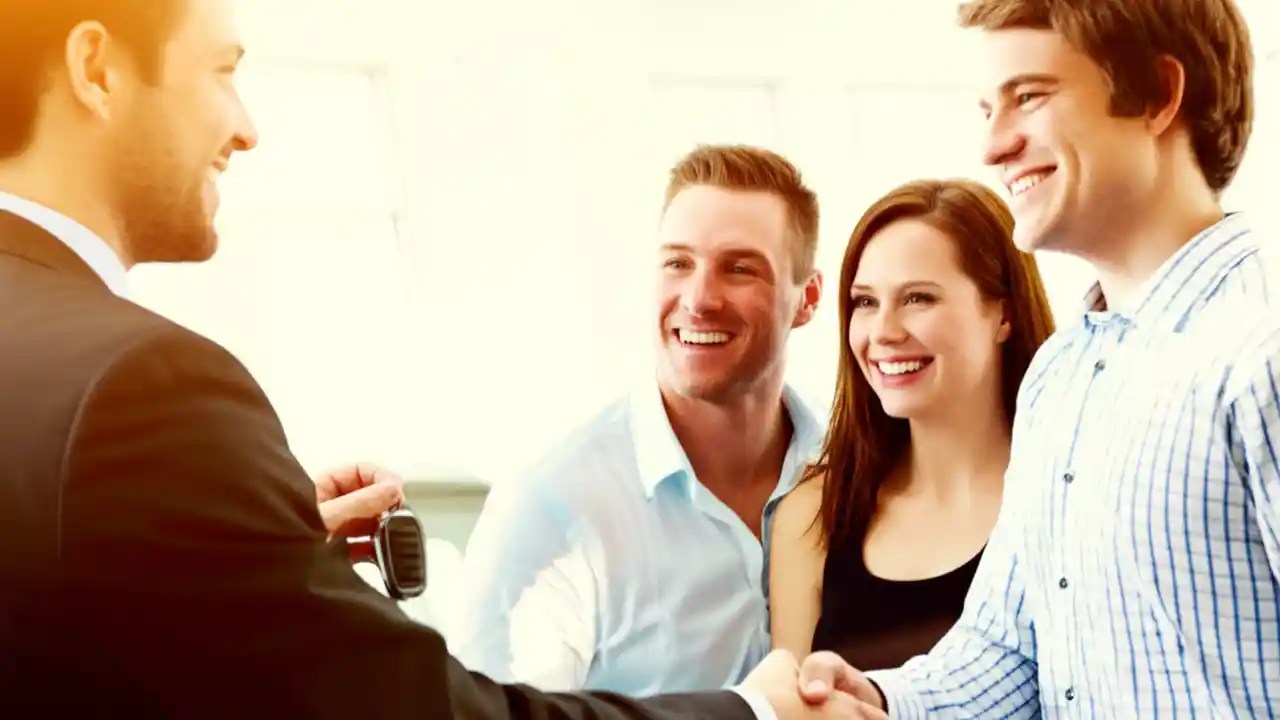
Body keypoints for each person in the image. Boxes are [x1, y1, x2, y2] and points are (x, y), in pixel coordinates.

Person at [0, 3, 885, 718]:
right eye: (224, 71)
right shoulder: (148, 388)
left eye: (741, 268)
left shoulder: (870, 464)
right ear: (96, 69)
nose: (247, 128)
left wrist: (246, 548)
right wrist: (752, 713)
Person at [796, 0, 1280, 717]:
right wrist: (879, 701)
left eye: (1029, 97)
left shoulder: (1259, 356)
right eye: (987, 108)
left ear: (1158, 94)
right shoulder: (1059, 378)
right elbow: (1010, 649)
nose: (992, 147)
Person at [453, 144, 828, 694]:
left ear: (808, 299)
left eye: (739, 268)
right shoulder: (552, 504)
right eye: (678, 263)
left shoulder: (858, 469)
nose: (698, 298)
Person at [769, 179, 1054, 670]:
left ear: (1003, 314)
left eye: (918, 298)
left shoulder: (1065, 499)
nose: (883, 331)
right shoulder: (813, 514)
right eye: (865, 302)